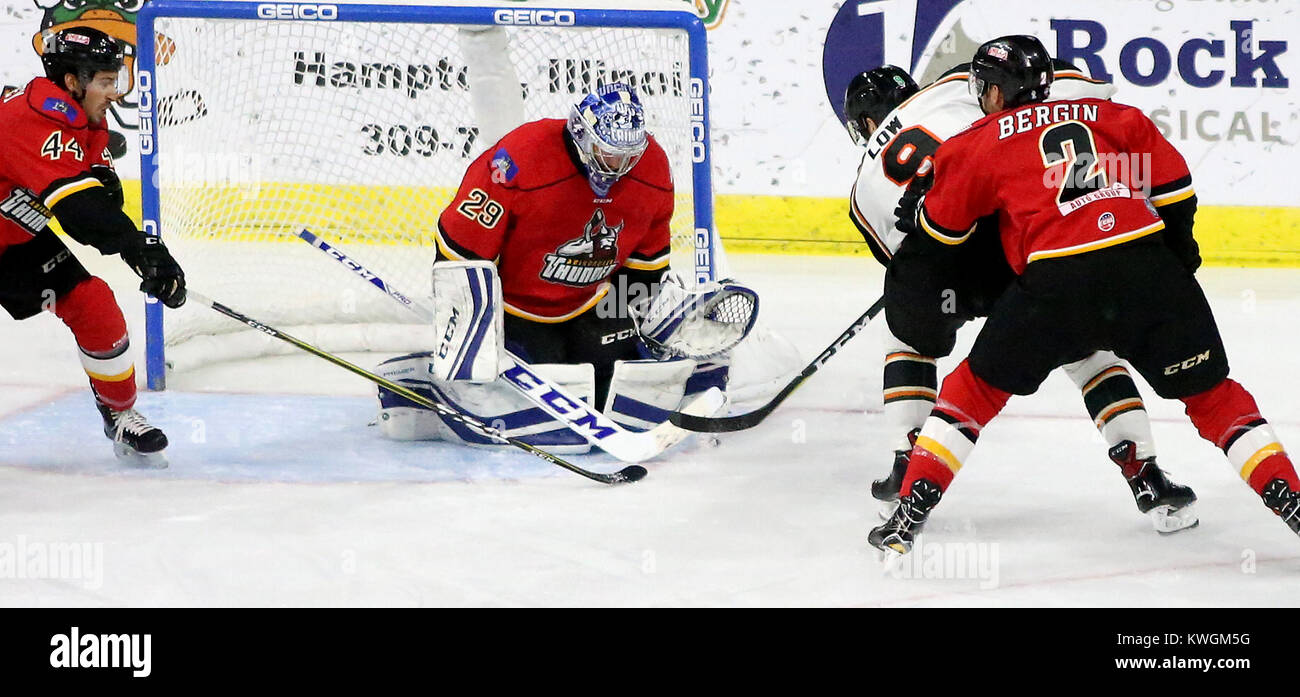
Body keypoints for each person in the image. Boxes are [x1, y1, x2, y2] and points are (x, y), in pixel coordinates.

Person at [869, 35, 1300, 555]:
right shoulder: (1113, 116)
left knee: (973, 393)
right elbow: (1176, 192)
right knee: (1215, 398)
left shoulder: (976, 142)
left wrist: (921, 214)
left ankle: (908, 515)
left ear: (997, 94)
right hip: (1148, 266)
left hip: (1056, 283)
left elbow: (944, 239)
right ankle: (1290, 502)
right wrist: (1178, 264)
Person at [843, 62, 1196, 532]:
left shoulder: (859, 193)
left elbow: (909, 269)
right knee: (1086, 346)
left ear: (866, 123)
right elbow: (1059, 93)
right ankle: (1145, 473)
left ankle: (909, 465)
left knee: (908, 338)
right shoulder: (950, 89)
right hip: (1019, 243)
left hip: (946, 268)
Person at [374, 83, 741, 451]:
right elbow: (461, 251)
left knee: (616, 386)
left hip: (591, 302)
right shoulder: (520, 158)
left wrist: (637, 326)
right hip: (514, 308)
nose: (619, 166)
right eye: (608, 152)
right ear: (582, 134)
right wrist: (472, 328)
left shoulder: (653, 168)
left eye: (628, 155)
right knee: (525, 396)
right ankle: (423, 384)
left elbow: (644, 266)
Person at [0, 27, 186, 467]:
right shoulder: (32, 120)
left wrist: (125, 233)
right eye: (105, 81)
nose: (114, 91)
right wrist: (139, 249)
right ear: (72, 81)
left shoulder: (82, 120)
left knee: (93, 302)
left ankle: (119, 413)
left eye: (115, 79)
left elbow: (100, 199)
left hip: (14, 244)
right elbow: (82, 211)